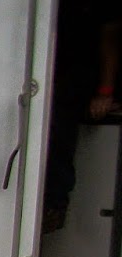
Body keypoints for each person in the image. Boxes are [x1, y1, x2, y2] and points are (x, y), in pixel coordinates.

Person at [45, 0, 122, 233]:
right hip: (53, 68)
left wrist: (105, 92)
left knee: (58, 112)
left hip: (80, 75)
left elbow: (111, 36)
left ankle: (54, 204)